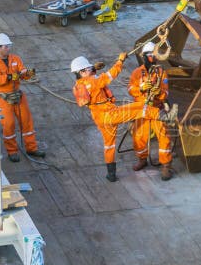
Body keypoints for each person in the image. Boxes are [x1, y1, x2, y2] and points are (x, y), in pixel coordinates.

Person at [71, 52, 178, 182]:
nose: (90, 70)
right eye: (88, 69)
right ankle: (165, 117)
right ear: (82, 71)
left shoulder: (79, 85)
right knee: (139, 107)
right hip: (111, 114)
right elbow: (111, 75)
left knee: (109, 146)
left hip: (100, 119)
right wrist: (120, 61)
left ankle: (111, 174)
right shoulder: (95, 81)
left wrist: (93, 68)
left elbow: (89, 79)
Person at [0, 33, 45, 162]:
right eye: (5, 46)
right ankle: (12, 151)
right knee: (9, 124)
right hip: (3, 98)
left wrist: (27, 73)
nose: (8, 48)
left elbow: (22, 73)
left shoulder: (15, 59)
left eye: (8, 46)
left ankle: (31, 148)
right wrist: (10, 77)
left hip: (18, 95)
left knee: (27, 121)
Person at [128, 42, 174, 181]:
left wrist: (158, 92)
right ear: (144, 56)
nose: (154, 57)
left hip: (156, 108)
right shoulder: (137, 73)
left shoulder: (161, 72)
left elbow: (165, 92)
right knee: (138, 136)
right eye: (151, 55)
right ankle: (142, 159)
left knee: (164, 136)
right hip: (141, 109)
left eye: (155, 55)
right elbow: (130, 89)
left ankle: (166, 165)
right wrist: (141, 88)